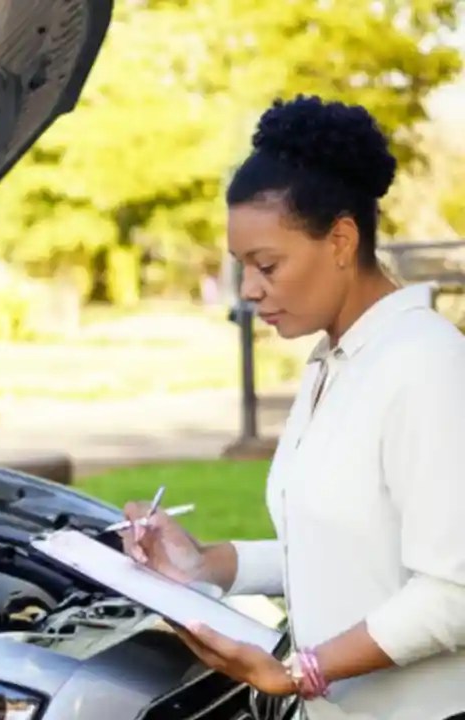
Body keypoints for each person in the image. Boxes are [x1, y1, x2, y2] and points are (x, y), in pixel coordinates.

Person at [120, 95, 465, 720]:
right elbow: (340, 547)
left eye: (267, 265)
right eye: (242, 267)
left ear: (340, 240)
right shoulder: (332, 363)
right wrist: (208, 562)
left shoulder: (427, 365)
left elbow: (453, 593)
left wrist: (300, 672)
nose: (249, 290)